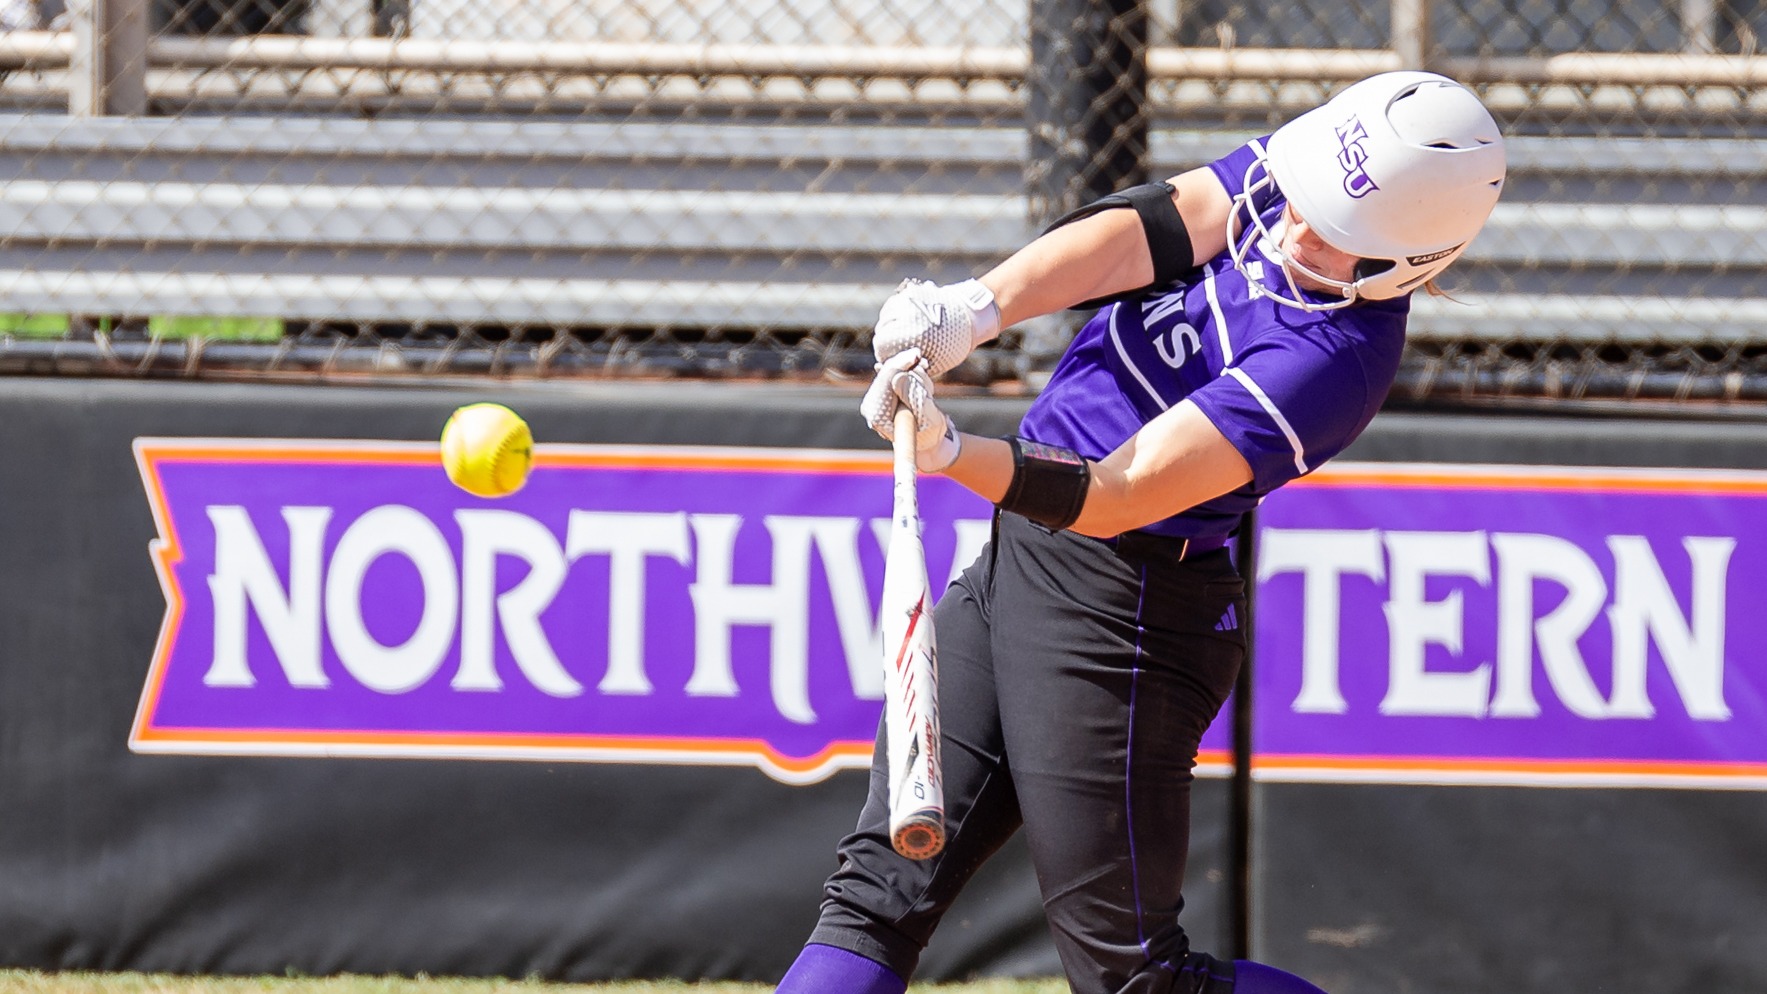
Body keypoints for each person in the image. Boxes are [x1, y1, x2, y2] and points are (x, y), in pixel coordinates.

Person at [775, 70, 1507, 994]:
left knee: (1135, 980)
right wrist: (974, 308)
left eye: (1332, 233)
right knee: (876, 893)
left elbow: (1116, 493)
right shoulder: (1301, 179)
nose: (1291, 230)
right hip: (1025, 556)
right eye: (1305, 201)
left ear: (1405, 260)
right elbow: (1148, 230)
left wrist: (949, 451)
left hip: (1125, 615)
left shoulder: (1334, 363)